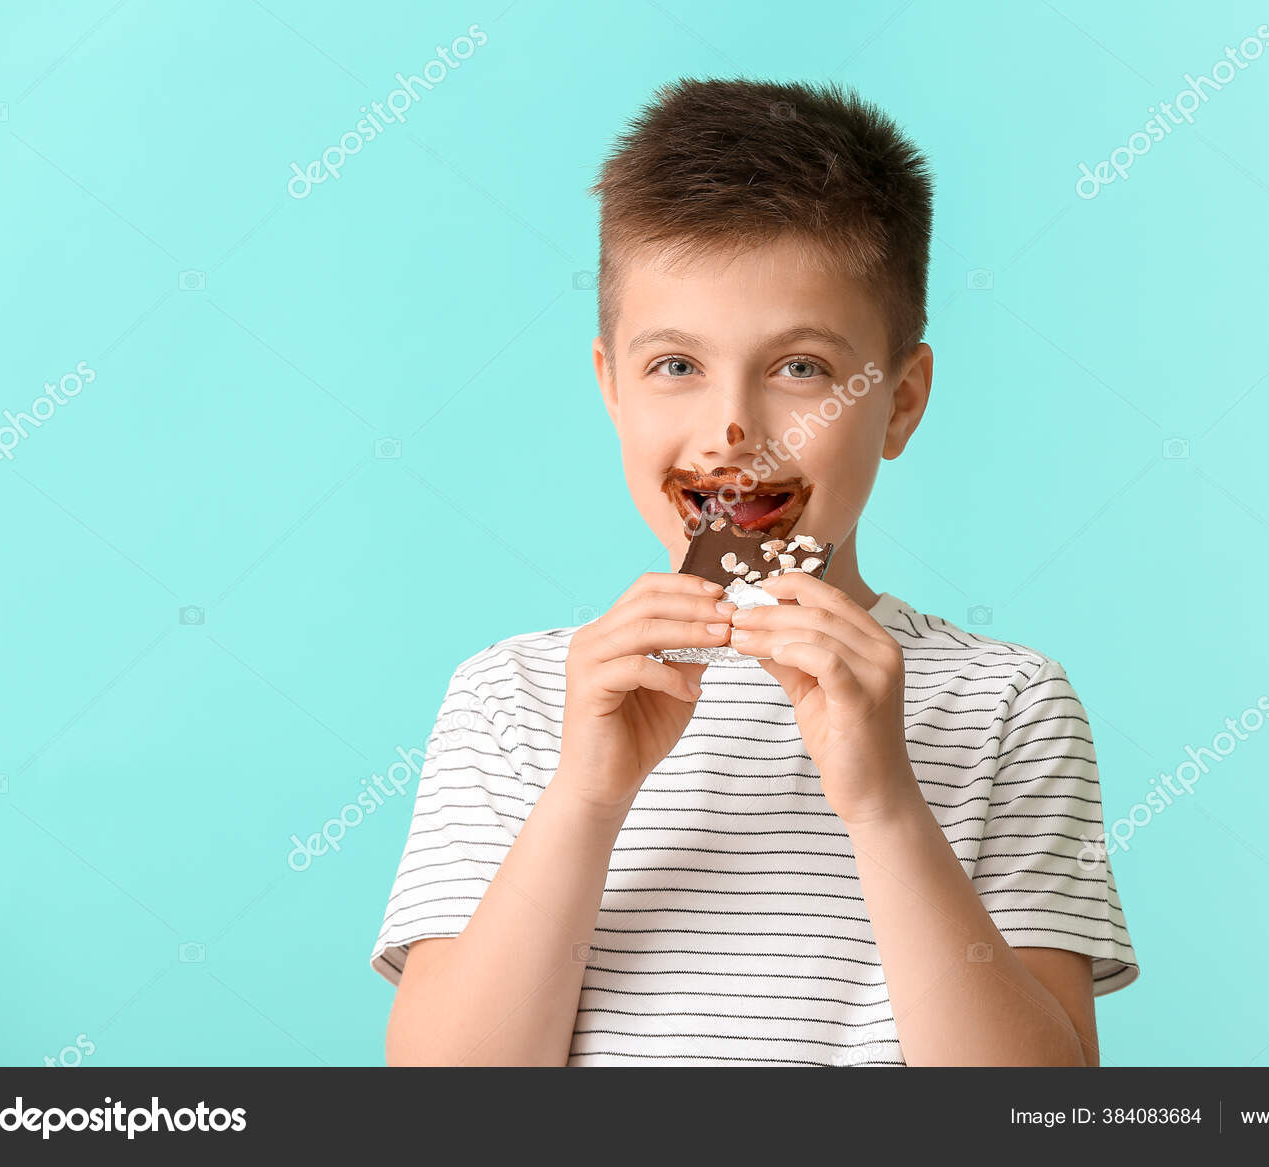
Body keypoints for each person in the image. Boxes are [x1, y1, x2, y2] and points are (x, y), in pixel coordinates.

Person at [371, 77, 1139, 1066]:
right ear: (611, 386)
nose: (731, 425)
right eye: (676, 365)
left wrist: (886, 804)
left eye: (801, 368)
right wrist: (585, 799)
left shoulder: (1006, 705)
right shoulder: (513, 702)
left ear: (899, 403)